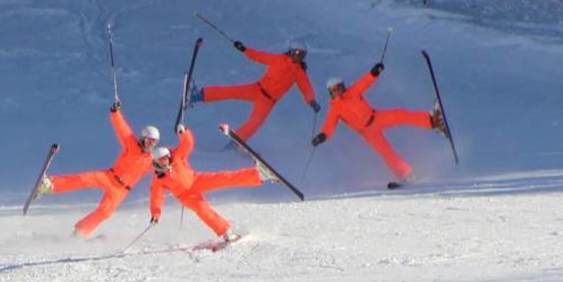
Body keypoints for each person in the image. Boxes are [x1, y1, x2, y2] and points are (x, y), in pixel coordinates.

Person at [310, 62, 446, 185]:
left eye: (339, 88)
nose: (337, 91)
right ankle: (406, 174)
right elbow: (329, 125)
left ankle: (432, 121)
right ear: (330, 93)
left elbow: (364, 82)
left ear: (343, 86)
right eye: (333, 90)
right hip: (367, 132)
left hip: (376, 117)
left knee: (400, 115)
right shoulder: (334, 109)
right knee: (385, 151)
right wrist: (322, 136)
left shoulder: (352, 92)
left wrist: (375, 72)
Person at [37, 105, 159, 238]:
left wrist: (172, 164)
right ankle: (49, 185)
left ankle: (81, 231)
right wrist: (115, 112)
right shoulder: (132, 144)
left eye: (154, 142)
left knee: (105, 212)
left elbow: (168, 164)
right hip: (109, 176)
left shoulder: (151, 160)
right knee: (83, 179)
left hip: (121, 190)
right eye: (149, 141)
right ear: (143, 138)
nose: (151, 144)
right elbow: (122, 129)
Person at [147, 124, 271, 243]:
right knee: (203, 210)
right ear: (157, 162)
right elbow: (156, 197)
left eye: (166, 158)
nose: (165, 162)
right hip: (186, 195)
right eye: (162, 160)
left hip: (196, 180)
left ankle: (258, 175)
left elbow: (187, 144)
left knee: (224, 178)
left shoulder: (176, 157)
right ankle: (226, 232)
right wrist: (155, 214)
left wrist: (184, 132)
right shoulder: (158, 178)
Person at [191, 39, 320, 141]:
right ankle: (200, 95)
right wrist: (244, 49)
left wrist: (311, 101)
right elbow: (259, 56)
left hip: (268, 101)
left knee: (254, 123)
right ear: (291, 52)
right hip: (257, 89)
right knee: (232, 91)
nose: (299, 58)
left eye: (302, 55)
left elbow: (306, 87)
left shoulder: (299, 72)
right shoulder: (278, 59)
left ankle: (236, 143)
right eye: (298, 53)